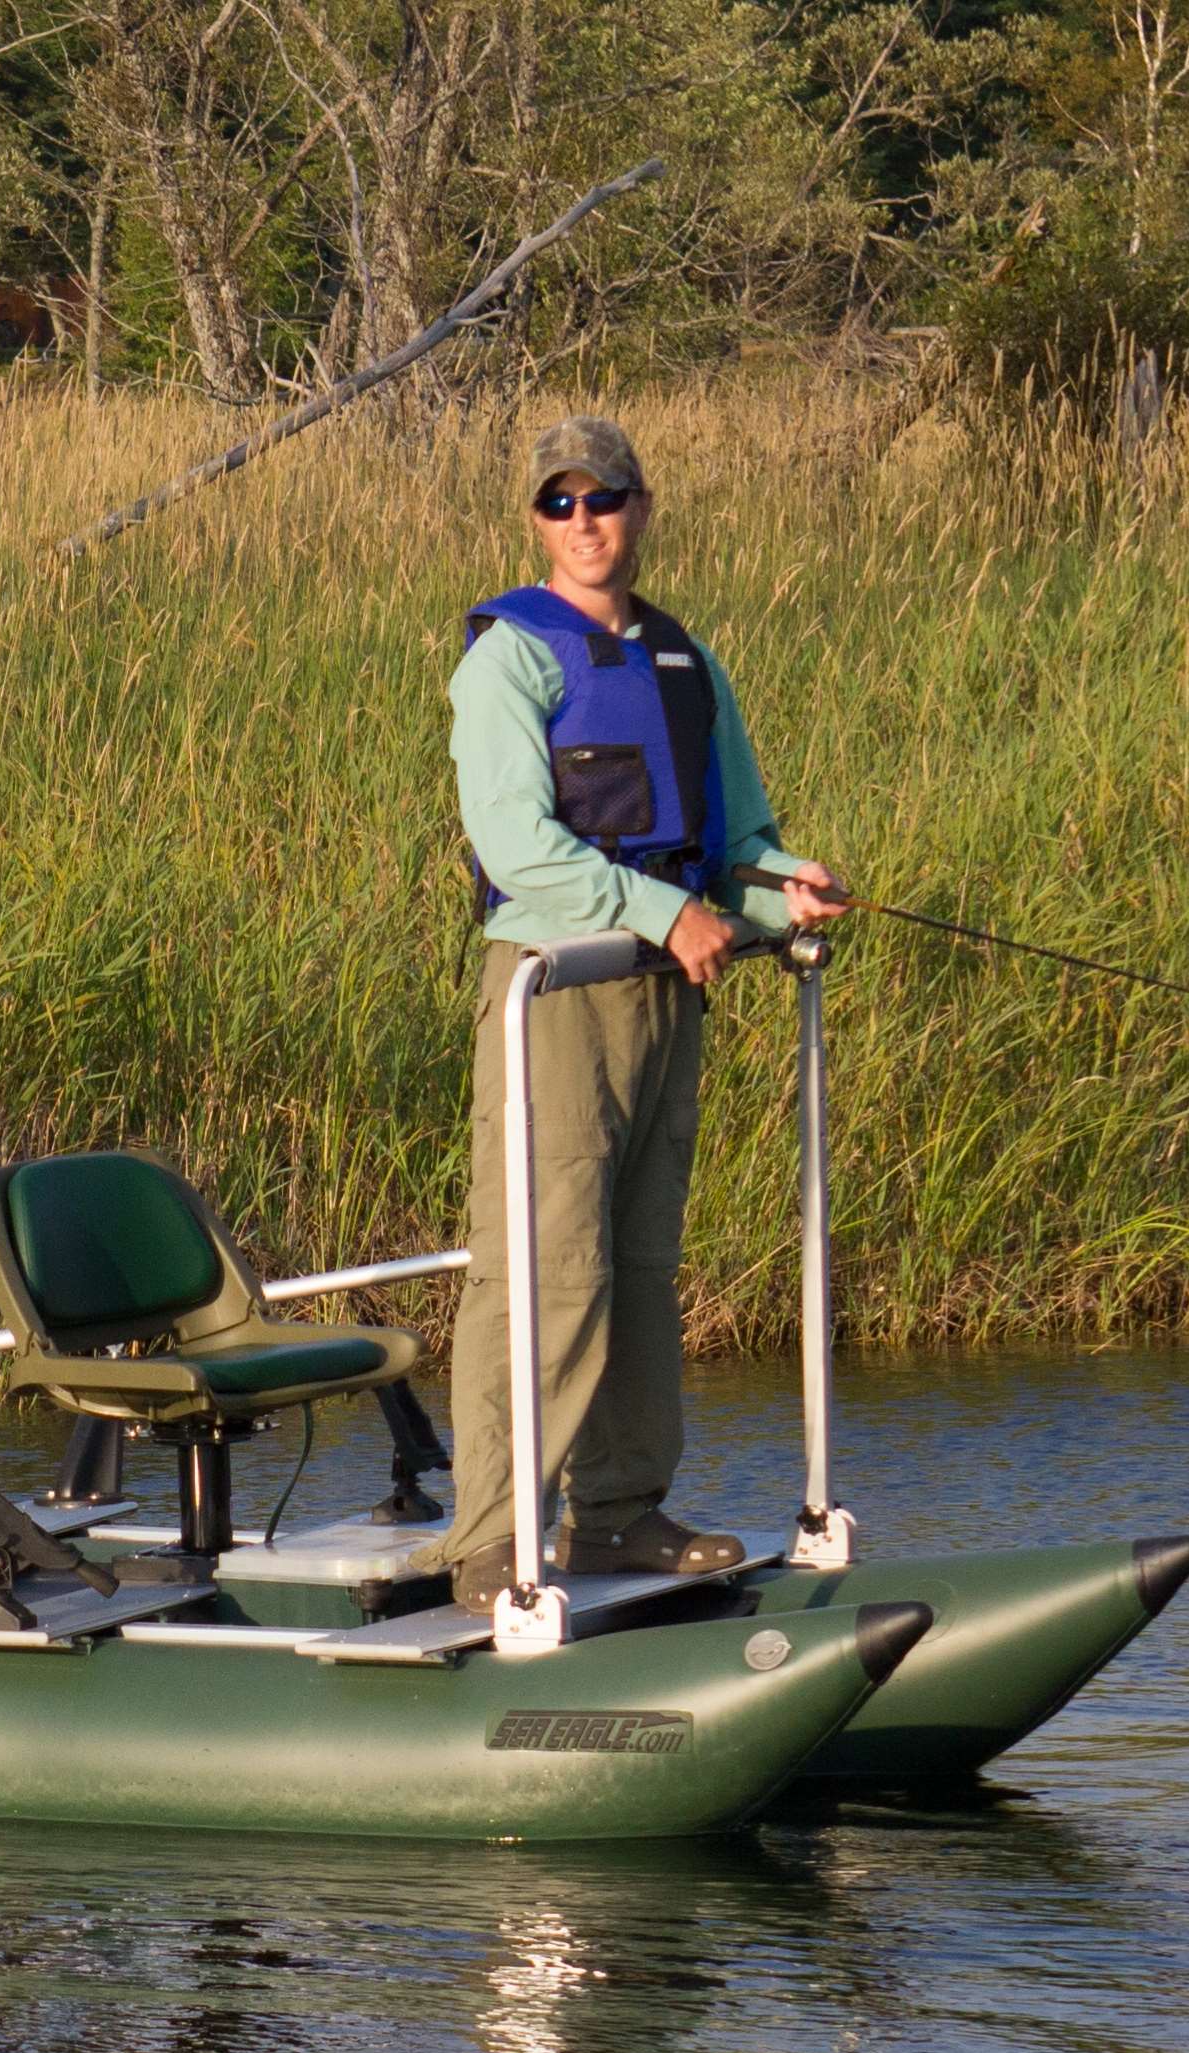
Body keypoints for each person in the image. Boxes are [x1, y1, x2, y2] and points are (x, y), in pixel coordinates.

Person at [422, 416, 851, 1595]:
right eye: (559, 503)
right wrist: (664, 914)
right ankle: (492, 1540)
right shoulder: (510, 659)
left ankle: (617, 1513)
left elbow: (736, 841)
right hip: (554, 996)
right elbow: (515, 842)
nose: (584, 522)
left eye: (603, 498)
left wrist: (784, 889)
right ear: (535, 521)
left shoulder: (686, 661)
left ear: (641, 508)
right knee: (545, 1266)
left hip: (667, 994)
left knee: (641, 1264)